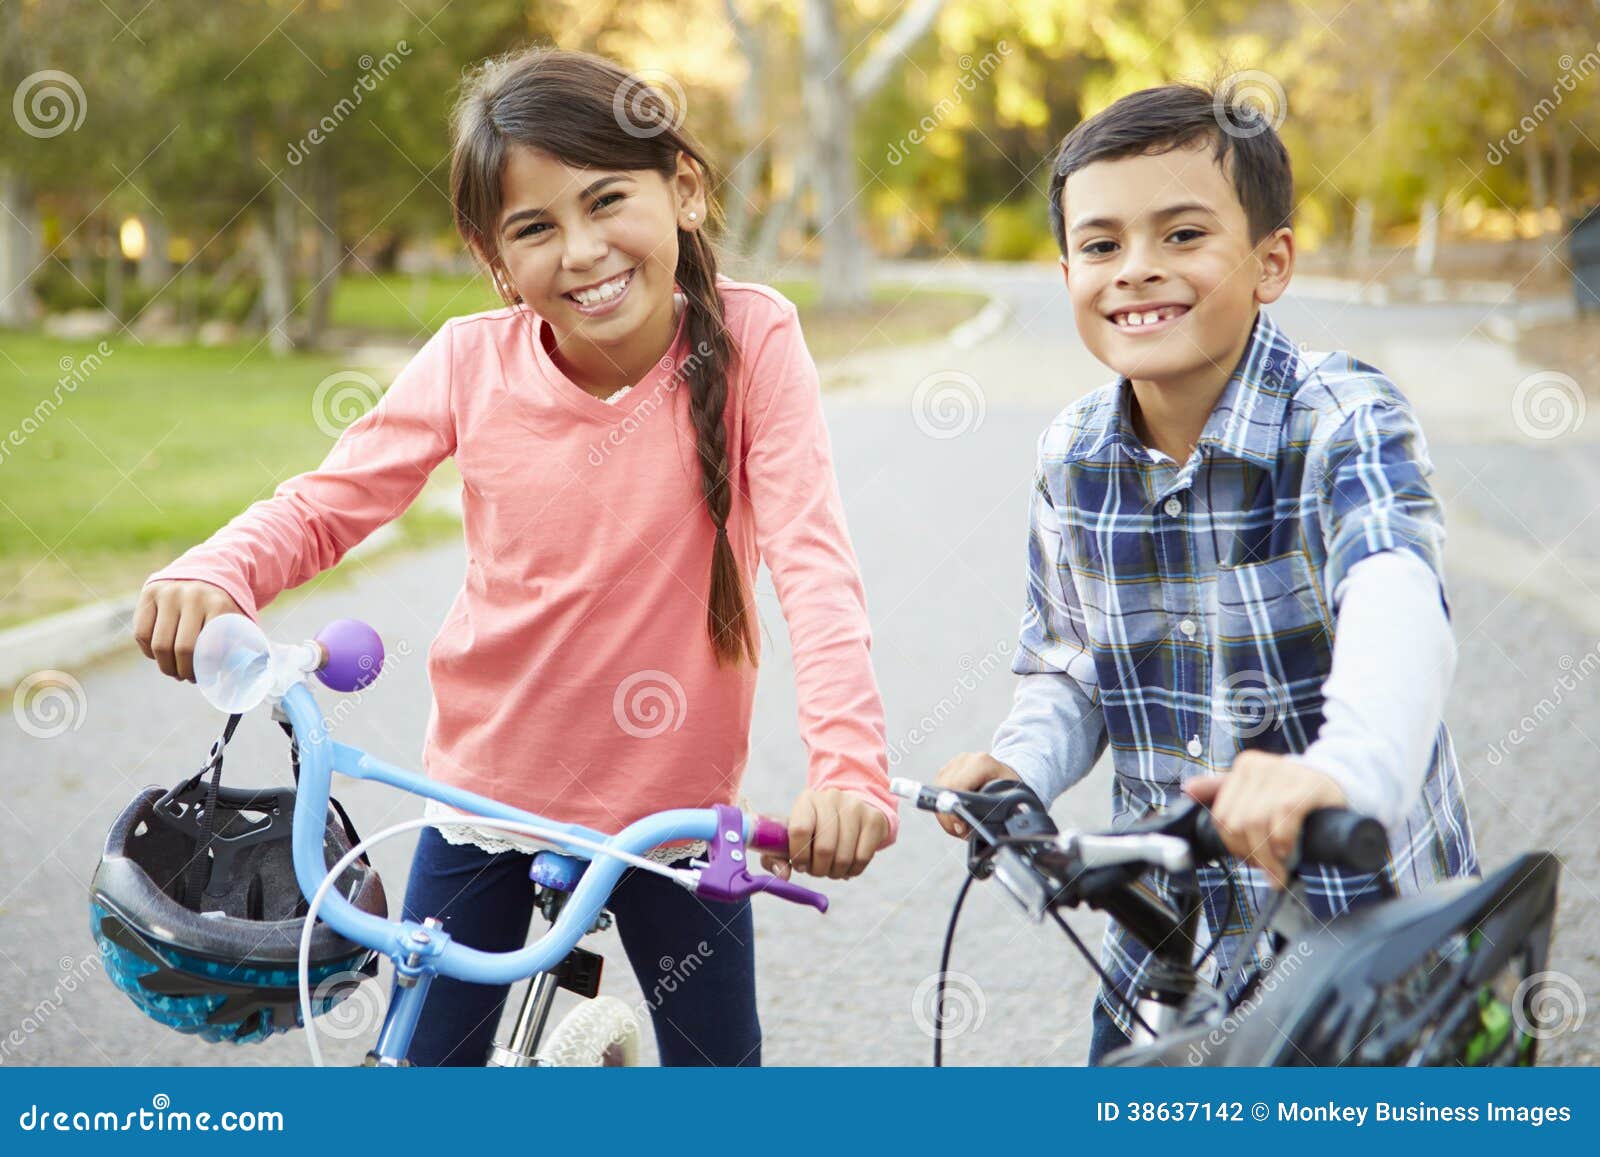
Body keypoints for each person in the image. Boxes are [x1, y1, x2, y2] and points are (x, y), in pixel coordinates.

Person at [133, 45, 896, 1067]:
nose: (581, 252)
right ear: (494, 258)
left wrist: (847, 767)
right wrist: (217, 568)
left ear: (682, 191)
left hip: (670, 820)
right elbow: (325, 504)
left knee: (722, 1080)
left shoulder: (754, 339)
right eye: (535, 227)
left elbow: (813, 562)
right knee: (423, 1071)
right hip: (484, 800)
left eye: (605, 201)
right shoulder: (467, 361)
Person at [933, 82, 1477, 1065]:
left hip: (1359, 962)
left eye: (1182, 235)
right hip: (1160, 957)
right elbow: (1067, 667)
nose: (1136, 270)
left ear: (1270, 261)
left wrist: (1341, 771)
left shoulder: (1340, 415)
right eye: (1100, 246)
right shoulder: (1072, 456)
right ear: (1065, 271)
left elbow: (1394, 591)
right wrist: (1019, 767)